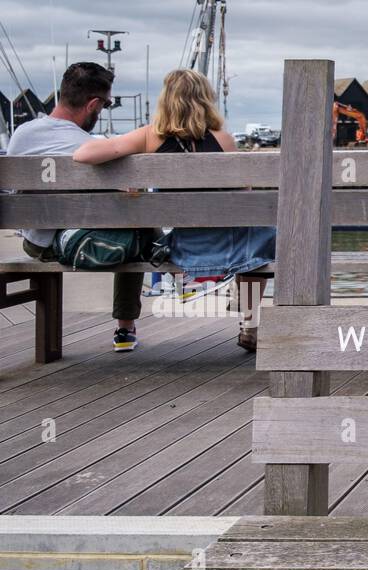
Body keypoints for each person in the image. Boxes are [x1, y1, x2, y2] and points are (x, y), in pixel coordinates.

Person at [73, 69, 275, 349]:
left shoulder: (149, 137)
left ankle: (129, 324)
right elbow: (243, 198)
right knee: (263, 237)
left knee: (140, 224)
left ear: (166, 100)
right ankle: (248, 321)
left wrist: (124, 178)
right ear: (206, 100)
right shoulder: (223, 140)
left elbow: (83, 155)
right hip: (228, 249)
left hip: (178, 249)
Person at [8, 62, 149, 353]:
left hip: (38, 244)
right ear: (93, 104)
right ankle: (125, 327)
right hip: (80, 242)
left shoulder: (22, 134)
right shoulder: (89, 147)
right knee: (136, 224)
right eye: (106, 105)